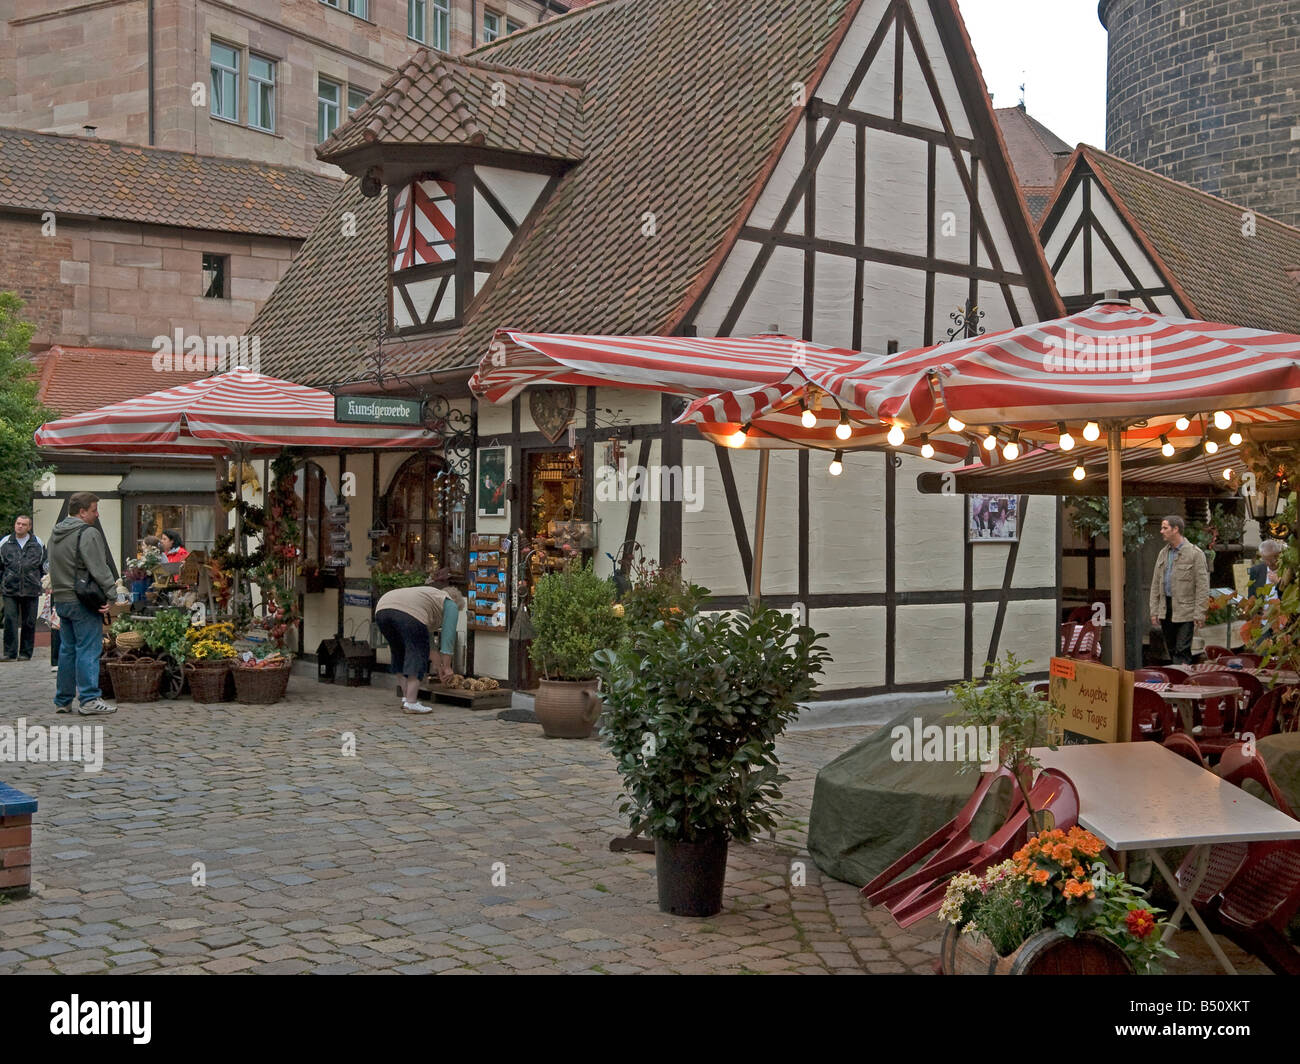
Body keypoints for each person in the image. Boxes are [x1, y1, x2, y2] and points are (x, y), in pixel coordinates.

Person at [49, 492, 117, 715]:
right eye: (94, 510)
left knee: (67, 650)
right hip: (82, 600)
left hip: (61, 598)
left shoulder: (56, 533)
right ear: (82, 511)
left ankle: (63, 700)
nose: (97, 515)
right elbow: (99, 567)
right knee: (88, 649)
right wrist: (111, 594)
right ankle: (89, 699)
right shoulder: (87, 533)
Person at [373, 575, 463, 715]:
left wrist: (439, 665)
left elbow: (429, 645)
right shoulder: (450, 603)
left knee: (399, 653)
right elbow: (448, 638)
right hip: (408, 614)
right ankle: (411, 702)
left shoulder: (427, 598)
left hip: (382, 608)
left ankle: (406, 697)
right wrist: (447, 667)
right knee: (417, 654)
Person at [1148, 514, 1209, 666]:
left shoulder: (1195, 554)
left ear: (1176, 529)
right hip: (1166, 608)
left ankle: (1181, 679)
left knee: (1182, 649)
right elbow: (1156, 583)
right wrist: (1154, 610)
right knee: (1172, 648)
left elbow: (1202, 586)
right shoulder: (1163, 553)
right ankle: (1180, 677)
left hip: (1186, 610)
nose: (1161, 531)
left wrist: (1200, 612)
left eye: (1165, 528)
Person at [0, 515, 47, 661]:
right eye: (18, 523)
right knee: (9, 619)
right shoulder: (5, 542)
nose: (19, 526)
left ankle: (25, 653)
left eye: (23, 524)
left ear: (29, 527)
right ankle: (9, 652)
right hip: (10, 588)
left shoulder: (37, 542)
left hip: (31, 587)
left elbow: (44, 565)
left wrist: (45, 583)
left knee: (29, 622)